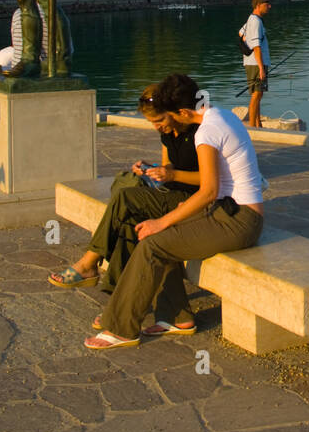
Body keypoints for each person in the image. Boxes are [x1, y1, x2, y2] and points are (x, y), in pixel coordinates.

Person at [84, 73, 265, 349]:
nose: (162, 125)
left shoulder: (206, 132)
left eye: (165, 117)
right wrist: (167, 219)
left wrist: (161, 221)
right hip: (228, 212)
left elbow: (208, 191)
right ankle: (176, 317)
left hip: (239, 220)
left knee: (153, 244)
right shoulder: (221, 115)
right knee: (162, 233)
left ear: (182, 111)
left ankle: (122, 328)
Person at [48, 84, 200, 290]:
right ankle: (116, 300)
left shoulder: (199, 133)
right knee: (125, 192)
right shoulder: (167, 133)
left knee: (126, 201)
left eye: (159, 120)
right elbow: (169, 166)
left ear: (173, 111)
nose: (157, 126)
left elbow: (210, 181)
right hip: (170, 190)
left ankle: (90, 262)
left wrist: (171, 174)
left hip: (191, 197)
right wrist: (152, 169)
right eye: (152, 122)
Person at [239, 0, 271, 128]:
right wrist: (261, 67)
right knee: (256, 94)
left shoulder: (252, 19)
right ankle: (253, 128)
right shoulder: (256, 21)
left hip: (254, 62)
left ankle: (258, 125)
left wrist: (248, 42)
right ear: (258, 5)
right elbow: (257, 47)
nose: (269, 6)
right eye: (267, 4)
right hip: (256, 63)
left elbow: (241, 32)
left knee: (259, 94)